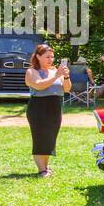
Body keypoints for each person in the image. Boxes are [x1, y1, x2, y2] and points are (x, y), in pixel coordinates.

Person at [24, 44, 70, 177]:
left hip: (55, 107)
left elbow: (66, 89)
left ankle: (46, 167)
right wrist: (56, 75)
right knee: (40, 138)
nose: (50, 59)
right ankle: (41, 170)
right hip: (38, 107)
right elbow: (39, 85)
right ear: (38, 56)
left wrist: (66, 77)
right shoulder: (31, 72)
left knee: (50, 138)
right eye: (47, 56)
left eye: (52, 56)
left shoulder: (55, 71)